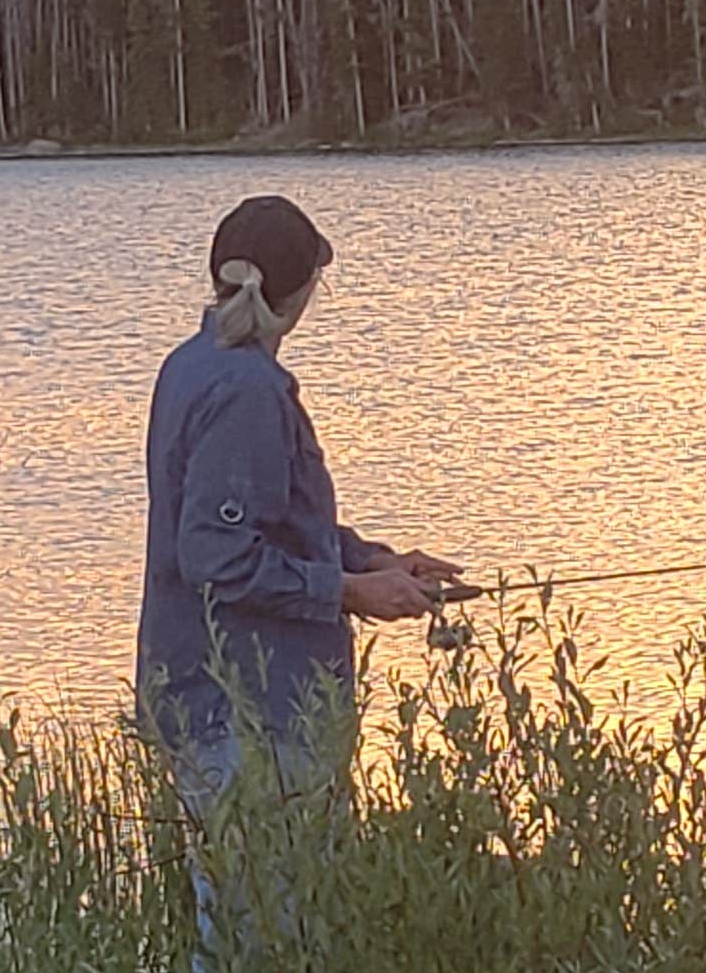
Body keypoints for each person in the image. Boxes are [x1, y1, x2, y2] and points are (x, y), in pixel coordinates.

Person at [136, 194, 469, 905]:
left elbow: (267, 521)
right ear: (301, 291)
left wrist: (371, 561)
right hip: (250, 709)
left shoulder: (192, 364)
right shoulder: (246, 388)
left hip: (212, 698)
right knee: (263, 935)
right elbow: (214, 554)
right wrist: (349, 593)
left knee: (251, 927)